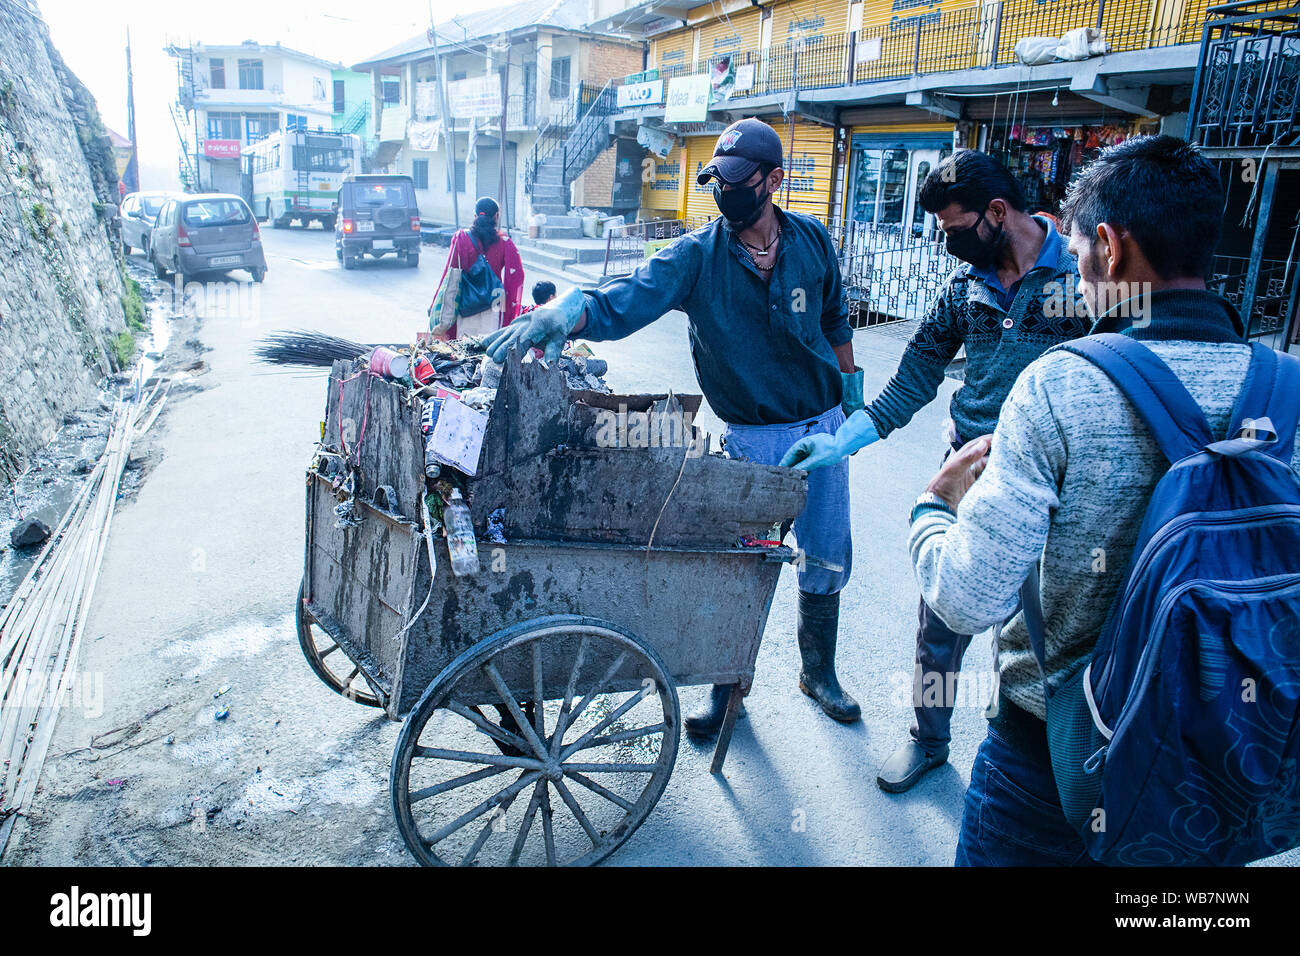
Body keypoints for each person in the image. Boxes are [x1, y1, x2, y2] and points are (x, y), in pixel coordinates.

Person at [907, 134, 1300, 865]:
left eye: (1080, 246)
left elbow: (966, 599)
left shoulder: (1062, 386)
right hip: (1223, 758)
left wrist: (934, 507)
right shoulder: (1291, 390)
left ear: (1111, 250)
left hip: (1057, 758)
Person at [485, 117, 863, 735]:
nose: (725, 192)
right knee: (742, 567)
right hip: (752, 439)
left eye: (740, 181)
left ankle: (817, 672)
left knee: (825, 555)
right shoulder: (695, 258)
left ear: (773, 180)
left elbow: (836, 323)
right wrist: (575, 307)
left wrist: (851, 407)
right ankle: (726, 688)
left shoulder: (812, 241)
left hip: (822, 429)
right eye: (718, 179)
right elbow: (626, 300)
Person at [781, 150, 1089, 793]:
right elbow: (911, 381)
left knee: (1055, 626)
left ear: (997, 213)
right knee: (942, 620)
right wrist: (838, 443)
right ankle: (929, 739)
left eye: (952, 229)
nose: (944, 243)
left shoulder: (1081, 284)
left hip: (1062, 484)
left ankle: (1054, 750)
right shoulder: (963, 292)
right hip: (969, 477)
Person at [434, 196, 524, 338]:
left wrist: (436, 303)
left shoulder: (461, 238)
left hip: (467, 296)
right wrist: (508, 310)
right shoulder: (505, 241)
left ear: (475, 215)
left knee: (465, 347)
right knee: (491, 345)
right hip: (496, 296)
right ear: (496, 216)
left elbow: (450, 274)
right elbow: (516, 277)